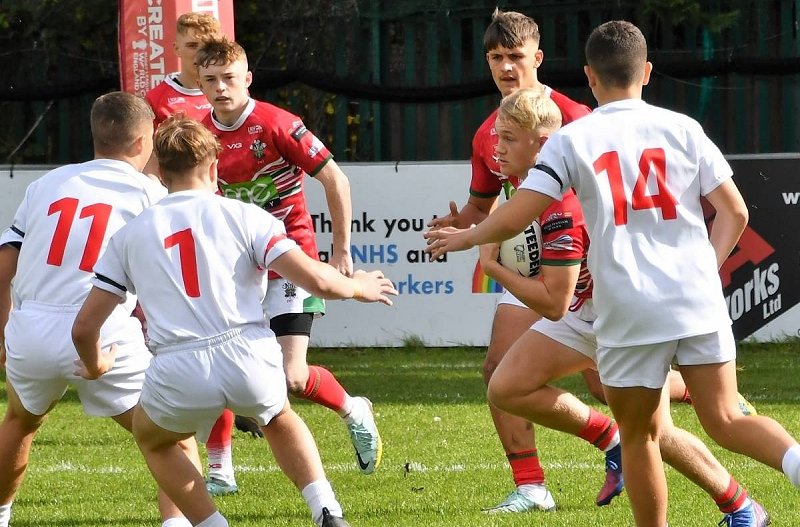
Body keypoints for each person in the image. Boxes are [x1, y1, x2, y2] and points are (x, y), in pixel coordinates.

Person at [425, 20, 800, 527]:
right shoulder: (684, 128)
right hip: (696, 299)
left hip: (626, 304)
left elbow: (517, 215)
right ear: (646, 72)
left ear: (589, 76)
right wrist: (703, 270)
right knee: (727, 418)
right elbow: (735, 212)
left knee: (640, 435)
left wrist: (468, 240)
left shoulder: (572, 137)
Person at [71, 114, 398, 527]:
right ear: (214, 168)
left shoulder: (129, 235)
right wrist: (358, 287)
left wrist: (95, 363)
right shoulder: (246, 216)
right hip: (247, 352)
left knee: (153, 439)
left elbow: (84, 328)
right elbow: (317, 280)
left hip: (178, 365)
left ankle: (211, 523)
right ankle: (326, 510)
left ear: (160, 172)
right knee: (278, 416)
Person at [483, 87, 769, 526]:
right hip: (588, 311)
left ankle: (740, 504)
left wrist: (492, 266)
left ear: (542, 144)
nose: (496, 148)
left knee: (653, 432)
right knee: (507, 386)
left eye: (506, 138)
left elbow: (554, 302)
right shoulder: (528, 190)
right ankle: (621, 439)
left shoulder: (562, 204)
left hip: (615, 315)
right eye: (496, 136)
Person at [427, 8, 620, 512]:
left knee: (605, 383)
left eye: (515, 55)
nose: (506, 67)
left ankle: (712, 397)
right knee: (498, 371)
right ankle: (532, 486)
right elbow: (483, 206)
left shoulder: (577, 118)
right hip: (531, 263)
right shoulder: (488, 133)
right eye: (496, 57)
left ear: (538, 58)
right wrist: (462, 224)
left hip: (586, 269)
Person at [194, 37, 382, 495]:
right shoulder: (199, 134)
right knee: (217, 361)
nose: (220, 88)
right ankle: (220, 470)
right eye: (210, 80)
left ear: (247, 79)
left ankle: (353, 409)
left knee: (292, 378)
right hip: (236, 268)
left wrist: (341, 250)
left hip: (289, 260)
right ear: (199, 83)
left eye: (229, 78)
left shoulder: (277, 124)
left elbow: (335, 179)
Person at [0, 91, 198, 527]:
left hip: (32, 328)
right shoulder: (151, 194)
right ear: (143, 141)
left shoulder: (47, 184)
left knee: (20, 421)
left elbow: (3, 267)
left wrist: (3, 332)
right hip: (102, 329)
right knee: (171, 437)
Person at [144, 11, 264, 491]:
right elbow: (149, 164)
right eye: (191, 47)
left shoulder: (239, 107)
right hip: (177, 227)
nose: (200, 58)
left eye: (206, 47)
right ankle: (221, 461)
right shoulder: (158, 100)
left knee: (240, 345)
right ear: (176, 49)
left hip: (225, 229)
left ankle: (230, 444)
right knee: (205, 337)